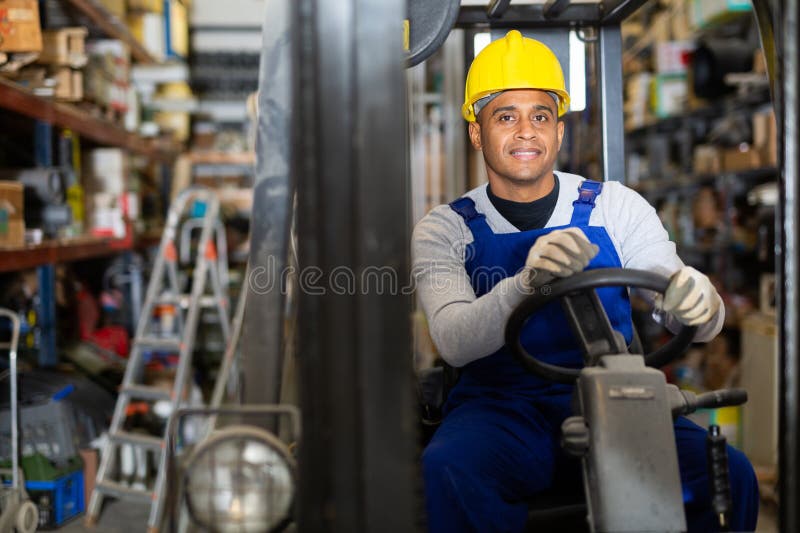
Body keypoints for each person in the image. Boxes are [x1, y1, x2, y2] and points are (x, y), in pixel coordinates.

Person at [412, 30, 758, 533]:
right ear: (476, 131)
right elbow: (455, 340)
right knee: (448, 470)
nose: (526, 132)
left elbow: (673, 293)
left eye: (541, 116)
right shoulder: (447, 227)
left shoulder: (615, 205)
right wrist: (528, 282)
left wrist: (698, 303)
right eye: (505, 117)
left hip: (615, 397)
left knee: (728, 473)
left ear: (559, 131)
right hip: (500, 412)